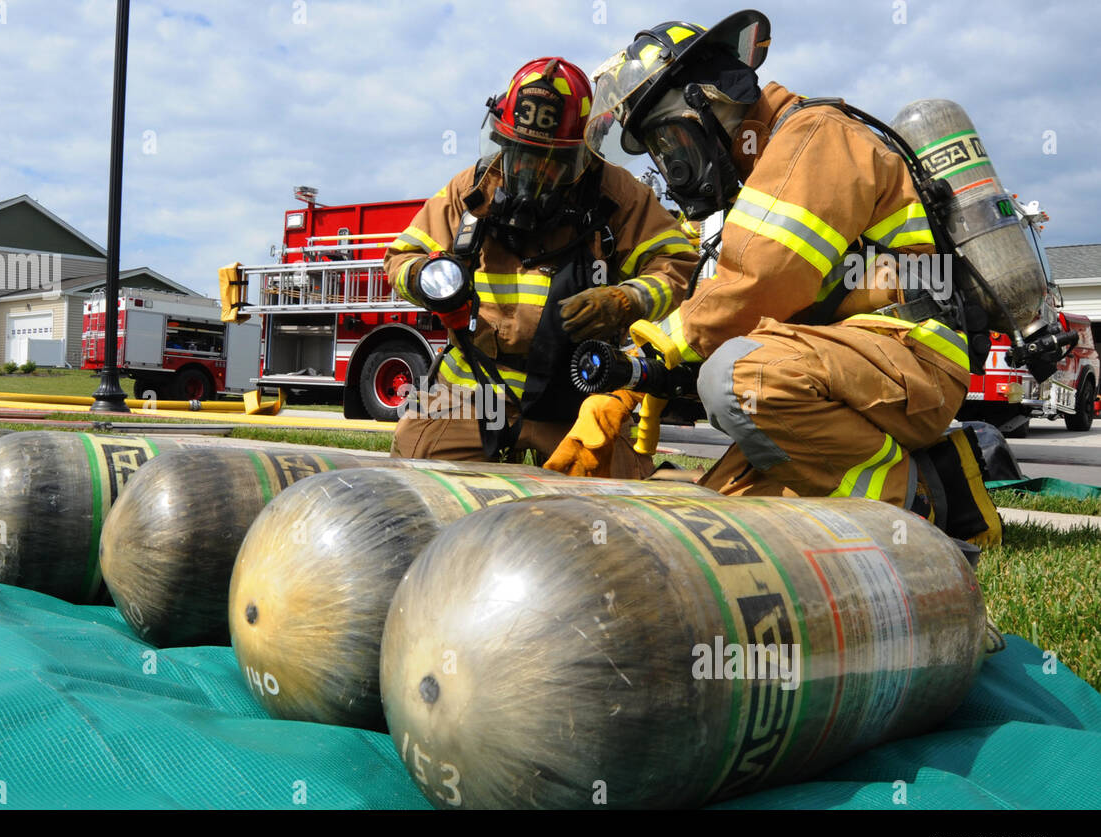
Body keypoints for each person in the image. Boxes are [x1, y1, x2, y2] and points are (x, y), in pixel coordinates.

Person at [547, 11, 1000, 544]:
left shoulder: (815, 137)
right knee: (722, 519)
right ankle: (951, 482)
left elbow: (760, 281)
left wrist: (647, 356)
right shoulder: (767, 170)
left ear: (709, 99)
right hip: (850, 363)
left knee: (736, 380)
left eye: (669, 143)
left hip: (910, 352)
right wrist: (636, 386)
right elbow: (735, 303)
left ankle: (914, 500)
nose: (673, 166)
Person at [384, 56, 697, 477]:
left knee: (614, 508)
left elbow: (677, 264)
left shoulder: (618, 196)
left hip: (577, 389)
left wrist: (628, 299)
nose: (531, 174)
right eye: (520, 154)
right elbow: (402, 256)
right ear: (501, 141)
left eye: (552, 160)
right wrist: (426, 279)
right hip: (473, 385)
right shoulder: (470, 190)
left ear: (584, 155)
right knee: (412, 481)